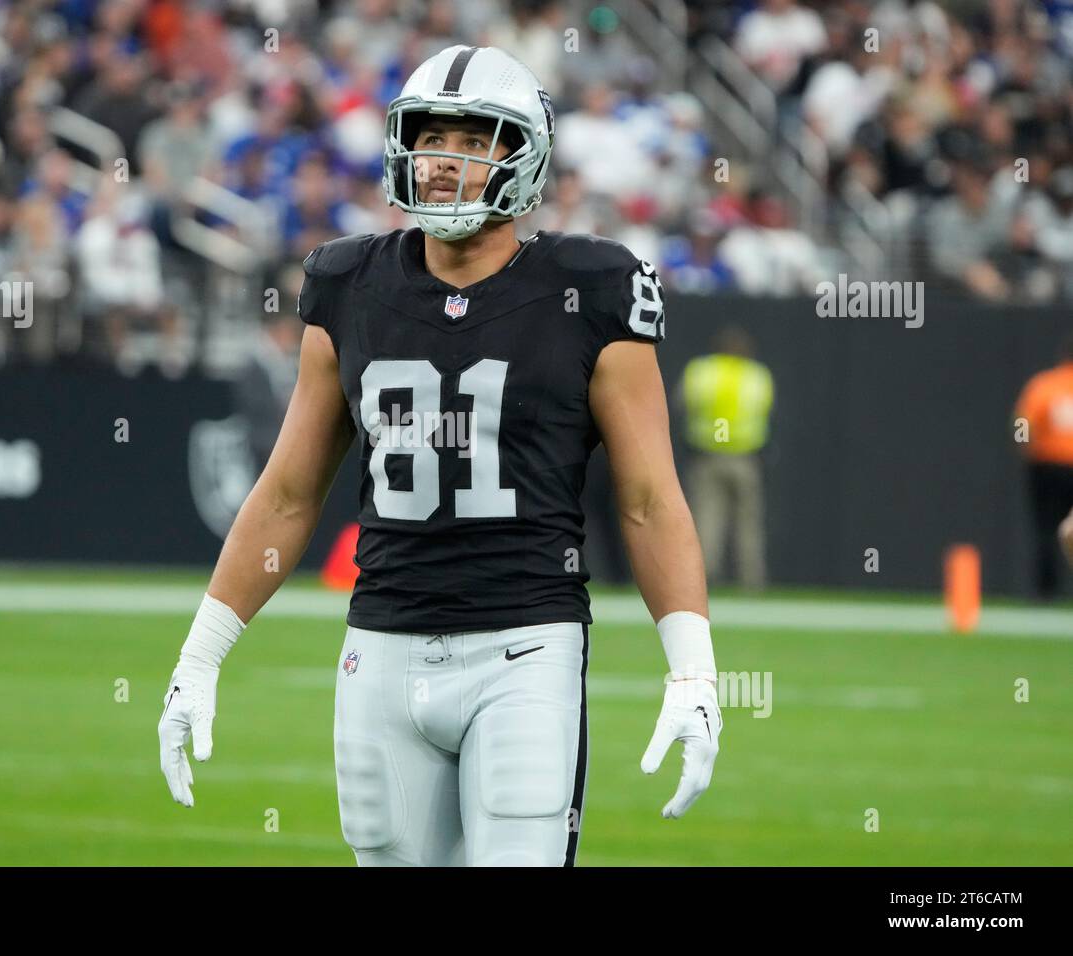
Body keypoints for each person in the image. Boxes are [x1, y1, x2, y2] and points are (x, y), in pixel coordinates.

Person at [156, 45, 722, 866]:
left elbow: (647, 498)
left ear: (523, 155)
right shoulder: (348, 283)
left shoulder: (590, 289)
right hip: (380, 647)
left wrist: (695, 671)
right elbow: (286, 493)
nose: (445, 160)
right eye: (428, 136)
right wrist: (199, 655)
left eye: (474, 138)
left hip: (526, 648)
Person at [678, 327, 775, 590]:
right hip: (744, 457)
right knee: (748, 523)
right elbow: (764, 408)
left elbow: (685, 403)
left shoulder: (701, 371)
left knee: (707, 519)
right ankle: (752, 581)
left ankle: (703, 578)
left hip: (708, 455)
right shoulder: (756, 375)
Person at [1014, 335, 1073, 597]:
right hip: (1057, 466)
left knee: (1046, 530)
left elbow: (1021, 423)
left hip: (1047, 467)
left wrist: (1026, 446)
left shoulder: (1044, 385)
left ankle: (1046, 591)